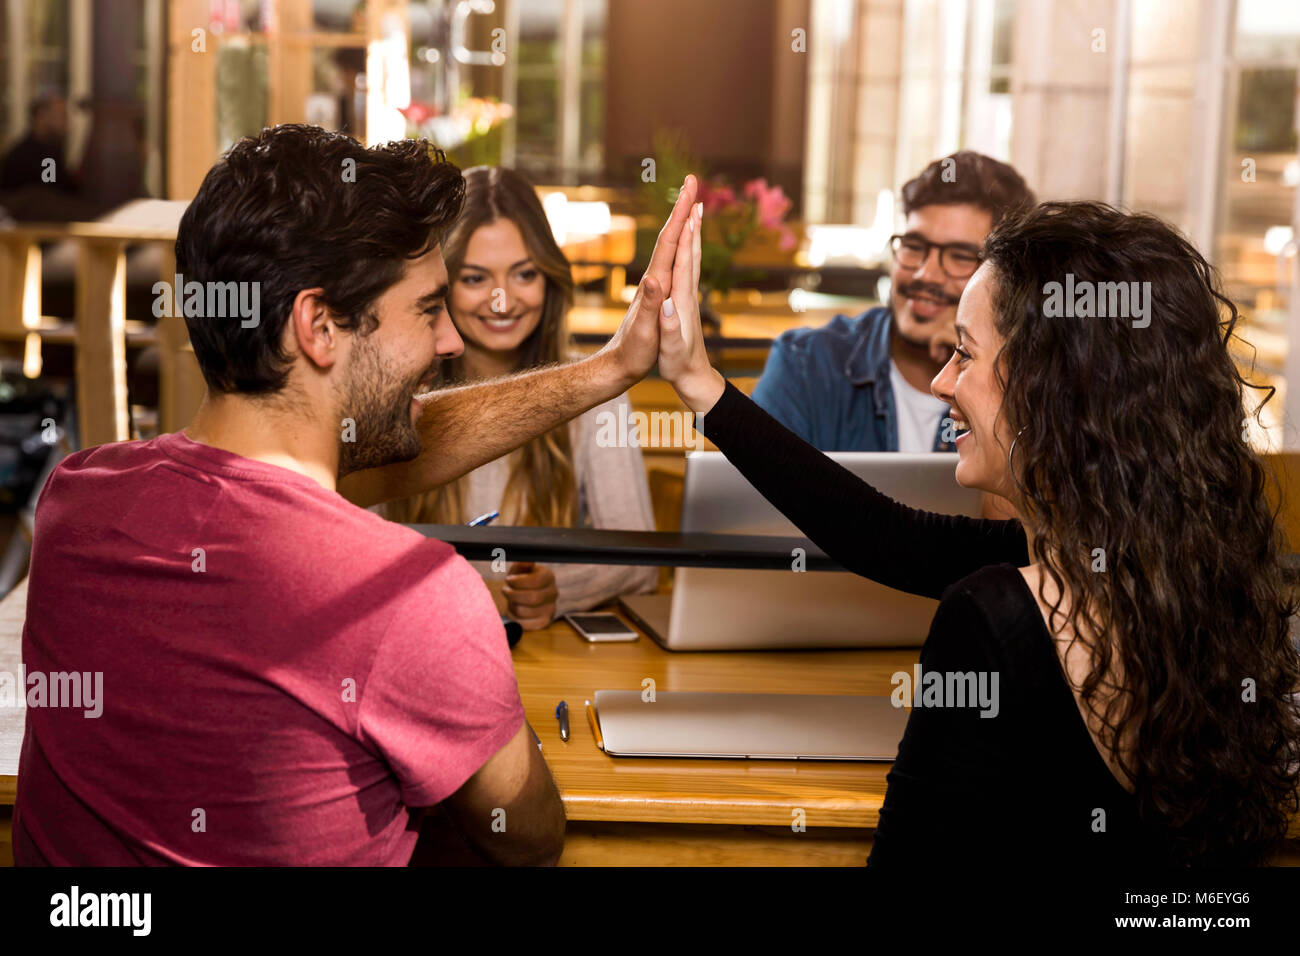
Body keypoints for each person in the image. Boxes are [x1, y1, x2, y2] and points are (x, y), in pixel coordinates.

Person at [14, 124, 699, 866]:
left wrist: (609, 370)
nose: (451, 344)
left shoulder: (77, 501)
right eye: (429, 310)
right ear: (318, 327)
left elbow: (352, 460)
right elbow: (531, 839)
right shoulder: (410, 596)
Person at [657, 197, 1300, 866]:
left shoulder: (994, 620)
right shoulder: (1197, 573)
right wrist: (703, 386)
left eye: (964, 355)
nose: (941, 382)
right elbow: (886, 535)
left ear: (1046, 387)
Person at [380, 167, 657, 628]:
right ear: (440, 286)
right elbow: (358, 552)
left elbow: (640, 559)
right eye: (474, 279)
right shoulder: (397, 390)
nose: (502, 300)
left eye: (524, 274)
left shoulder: (594, 386)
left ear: (549, 277)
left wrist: (555, 589)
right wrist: (466, 593)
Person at [752, 151, 1034, 453]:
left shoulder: (1028, 383)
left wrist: (991, 363)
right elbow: (746, 495)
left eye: (960, 256)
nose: (926, 274)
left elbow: (1036, 494)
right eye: (914, 246)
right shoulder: (806, 365)